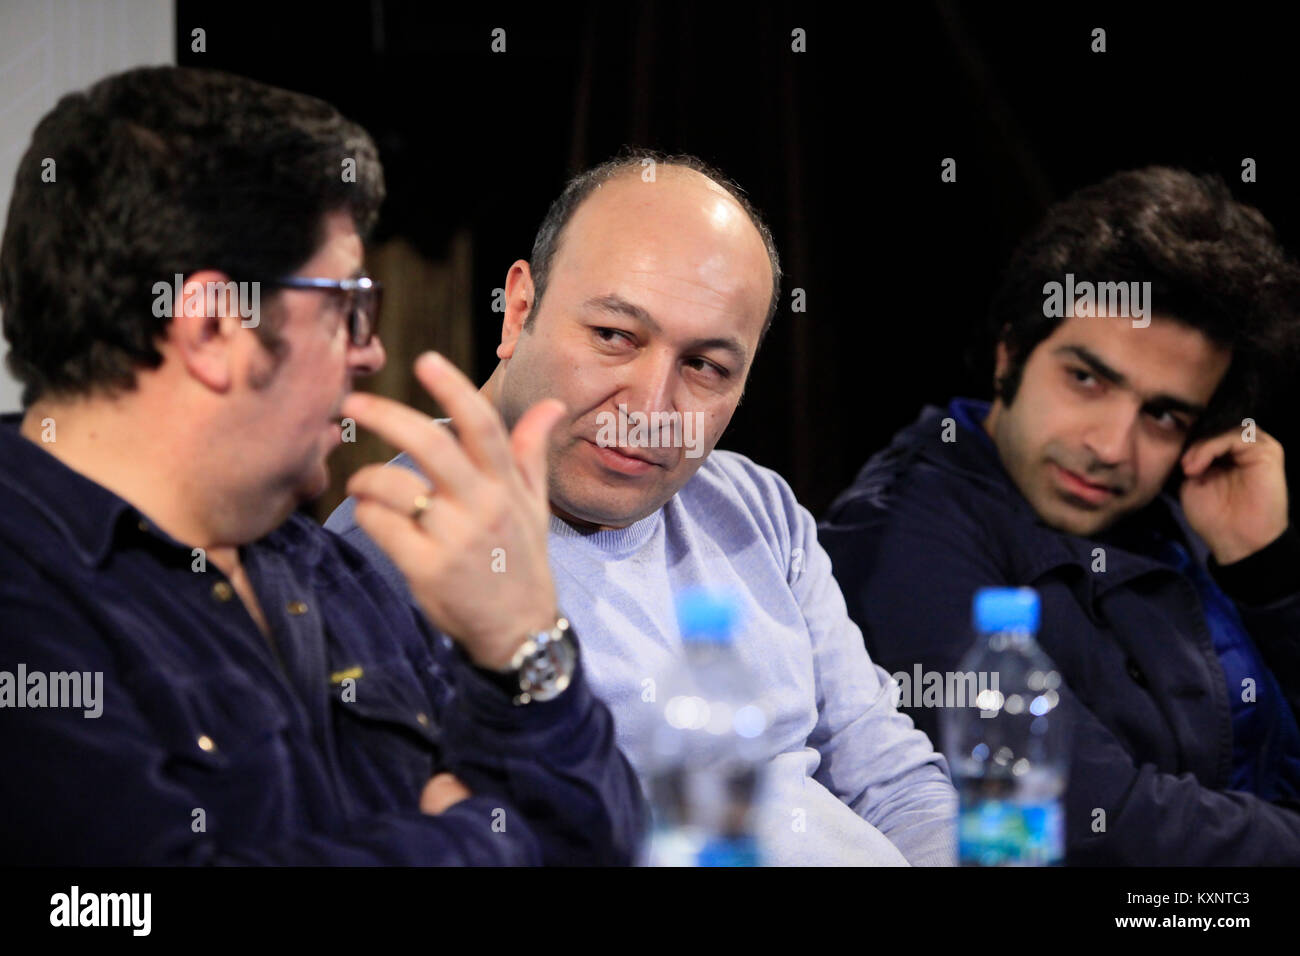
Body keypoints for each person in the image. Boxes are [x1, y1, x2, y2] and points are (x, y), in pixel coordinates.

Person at [0, 66, 645, 865]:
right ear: (210, 329)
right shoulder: (23, 591)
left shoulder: (330, 570)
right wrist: (476, 836)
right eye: (346, 307)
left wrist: (520, 639)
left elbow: (601, 844)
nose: (372, 351)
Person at [329, 152, 957, 865]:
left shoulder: (756, 505)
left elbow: (894, 783)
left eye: (706, 367)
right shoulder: (395, 548)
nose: (652, 410)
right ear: (519, 309)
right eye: (615, 337)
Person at [820, 167, 1300, 864]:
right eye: (1087, 379)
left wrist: (1267, 576)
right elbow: (1093, 822)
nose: (1111, 447)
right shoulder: (901, 534)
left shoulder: (1183, 508)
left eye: (1163, 414)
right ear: (1009, 353)